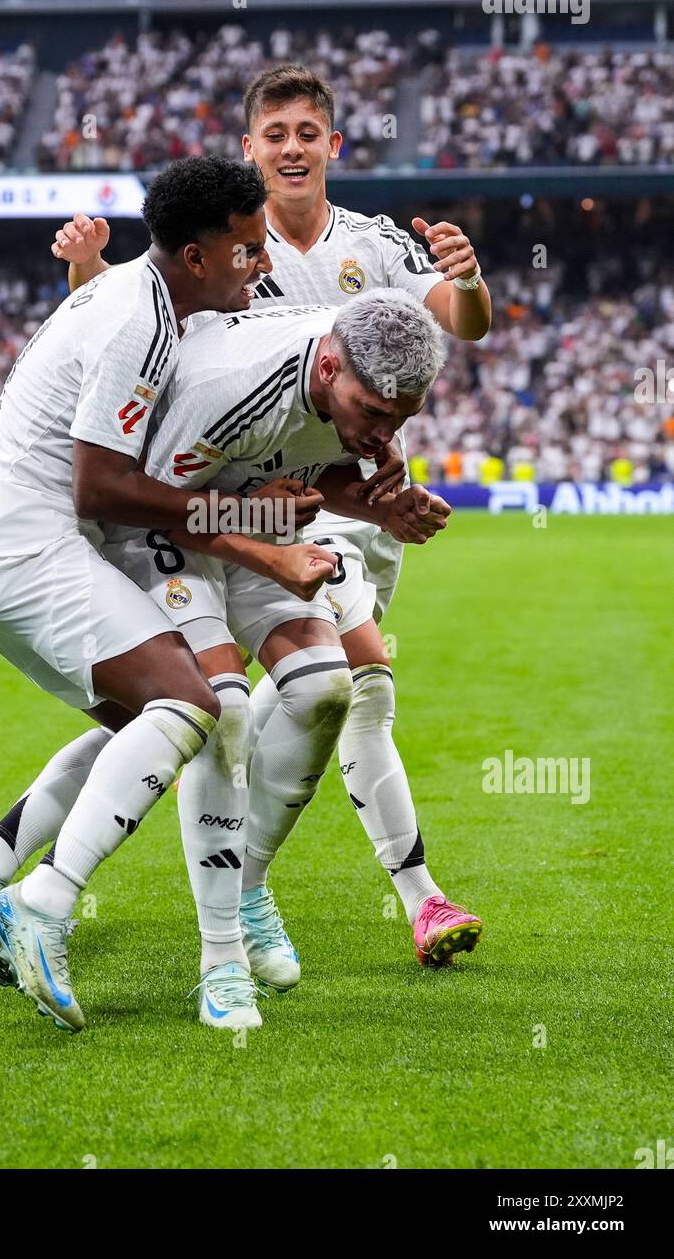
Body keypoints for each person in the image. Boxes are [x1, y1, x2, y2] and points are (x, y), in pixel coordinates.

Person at [50, 64, 491, 971]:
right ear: (249, 150)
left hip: (350, 502)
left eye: (307, 133)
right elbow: (141, 343)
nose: (292, 148)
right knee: (343, 684)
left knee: (188, 708)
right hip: (254, 504)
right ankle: (376, 896)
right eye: (274, 134)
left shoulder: (370, 246)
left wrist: (470, 280)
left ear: (333, 145)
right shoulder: (233, 246)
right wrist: (87, 273)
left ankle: (9, 853)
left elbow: (462, 322)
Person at [0, 155, 335, 1032]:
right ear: (196, 257)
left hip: (1, 551)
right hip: (33, 549)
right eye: (246, 249)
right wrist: (247, 518)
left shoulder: (137, 299)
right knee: (190, 706)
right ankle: (38, 908)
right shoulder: (140, 323)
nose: (260, 262)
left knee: (141, 734)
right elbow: (101, 488)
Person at [104, 289, 450, 1027]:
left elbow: (307, 473)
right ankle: (219, 958)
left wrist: (377, 505)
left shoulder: (346, 397)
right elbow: (154, 504)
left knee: (328, 690)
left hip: (248, 514)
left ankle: (246, 885)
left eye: (402, 417)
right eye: (375, 413)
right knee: (222, 712)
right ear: (328, 366)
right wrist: (266, 538)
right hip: (163, 526)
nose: (387, 434)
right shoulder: (227, 388)